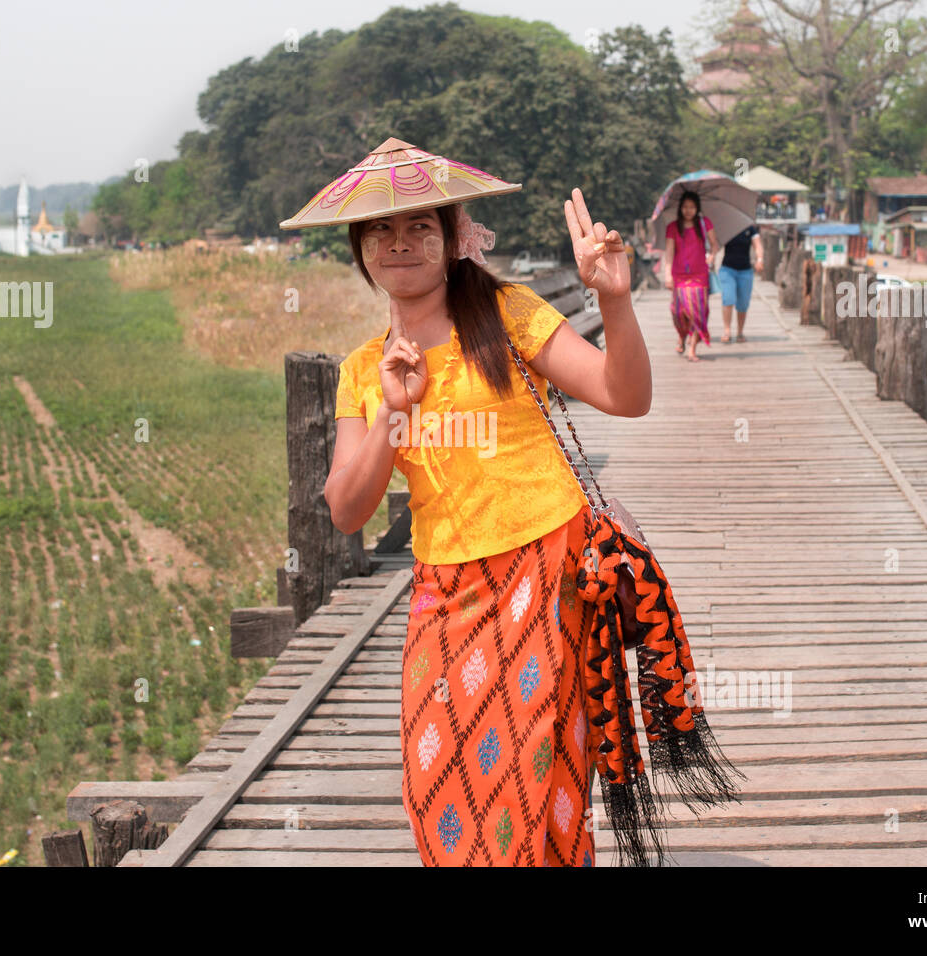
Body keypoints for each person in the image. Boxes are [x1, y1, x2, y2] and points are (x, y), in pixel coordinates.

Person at [297, 138, 653, 866]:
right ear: (359, 251)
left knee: (540, 783)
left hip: (546, 573)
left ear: (454, 238)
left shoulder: (507, 315)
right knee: (437, 788)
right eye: (381, 230)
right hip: (445, 595)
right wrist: (396, 412)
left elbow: (627, 395)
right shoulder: (366, 370)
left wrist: (613, 300)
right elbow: (346, 509)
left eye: (420, 227)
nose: (400, 243)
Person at [663, 190, 719, 362]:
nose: (689, 210)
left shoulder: (704, 223)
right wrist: (667, 275)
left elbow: (715, 244)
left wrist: (712, 255)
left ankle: (692, 348)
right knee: (678, 312)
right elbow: (670, 252)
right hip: (679, 275)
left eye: (692, 207)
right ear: (680, 208)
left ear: (697, 208)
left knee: (697, 312)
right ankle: (682, 335)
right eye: (686, 207)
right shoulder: (672, 227)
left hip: (699, 275)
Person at [717, 223, 763, 343]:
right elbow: (715, 244)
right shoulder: (726, 228)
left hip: (745, 271)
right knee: (728, 298)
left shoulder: (750, 229)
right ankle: (727, 331)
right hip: (727, 269)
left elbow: (757, 245)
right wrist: (710, 256)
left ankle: (740, 332)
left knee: (743, 303)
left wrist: (759, 259)